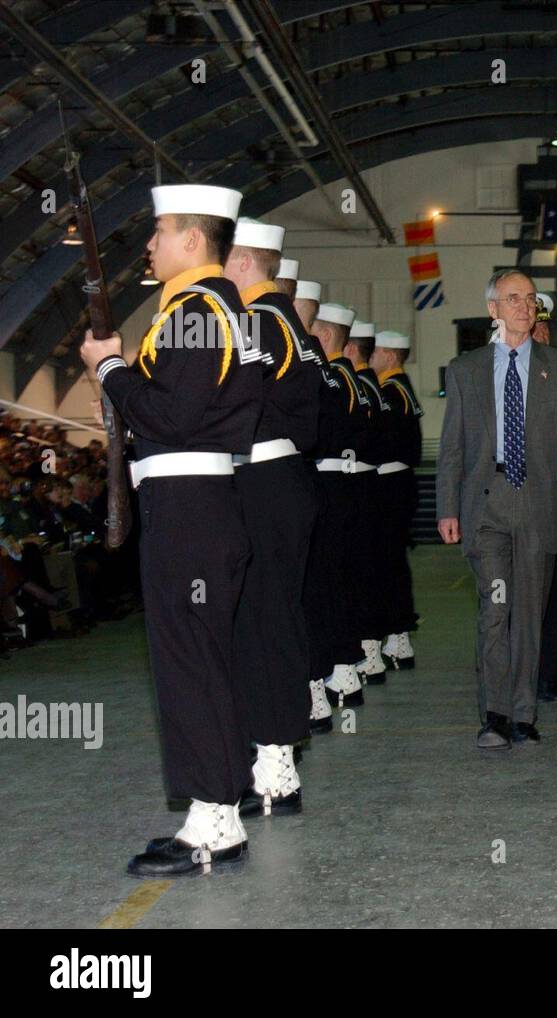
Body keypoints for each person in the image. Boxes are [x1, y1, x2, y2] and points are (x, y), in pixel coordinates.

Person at [80, 182, 263, 877]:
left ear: (194, 240)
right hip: (205, 502)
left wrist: (111, 368)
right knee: (203, 662)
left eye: (161, 232)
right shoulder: (224, 308)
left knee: (190, 665)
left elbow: (172, 414)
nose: (150, 246)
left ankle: (214, 819)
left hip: (188, 507)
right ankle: (212, 815)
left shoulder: (194, 309)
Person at [437, 269, 557, 749]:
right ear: (493, 310)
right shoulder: (464, 370)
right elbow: (451, 449)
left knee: (529, 614)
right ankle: (494, 714)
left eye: (529, 300)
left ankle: (524, 714)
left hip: (540, 504)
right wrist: (448, 509)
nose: (524, 308)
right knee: (495, 608)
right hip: (486, 507)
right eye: (513, 299)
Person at [222, 216, 321, 818]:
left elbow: (226, 399)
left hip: (259, 479)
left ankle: (276, 760)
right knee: (270, 618)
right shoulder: (286, 322)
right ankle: (272, 754)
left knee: (262, 622)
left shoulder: (257, 320)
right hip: (278, 480)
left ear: (239, 262)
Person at [306, 302, 370, 710]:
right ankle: (345, 670)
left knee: (325, 582)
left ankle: (334, 673)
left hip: (329, 481)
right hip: (349, 482)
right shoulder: (354, 380)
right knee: (342, 578)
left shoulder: (331, 376)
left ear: (325, 336)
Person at [343, 320, 392, 685]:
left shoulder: (353, 384)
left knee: (354, 574)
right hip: (371, 482)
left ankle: (363, 653)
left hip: (353, 482)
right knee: (370, 571)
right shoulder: (373, 388)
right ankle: (373, 649)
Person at [371, 330, 422, 672]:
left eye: (375, 353)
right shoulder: (402, 389)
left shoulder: (391, 391)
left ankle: (398, 634)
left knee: (387, 564)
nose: (369, 359)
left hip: (390, 484)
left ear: (389, 356)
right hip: (400, 484)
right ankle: (399, 636)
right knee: (393, 563)